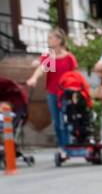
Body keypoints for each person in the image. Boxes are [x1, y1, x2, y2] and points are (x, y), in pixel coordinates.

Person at [24, 28, 78, 162]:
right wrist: (34, 78)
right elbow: (42, 68)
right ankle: (62, 147)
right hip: (53, 93)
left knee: (64, 121)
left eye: (51, 38)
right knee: (56, 122)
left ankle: (67, 148)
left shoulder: (68, 57)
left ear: (59, 40)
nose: (48, 40)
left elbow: (75, 76)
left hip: (66, 93)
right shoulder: (50, 55)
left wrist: (76, 93)